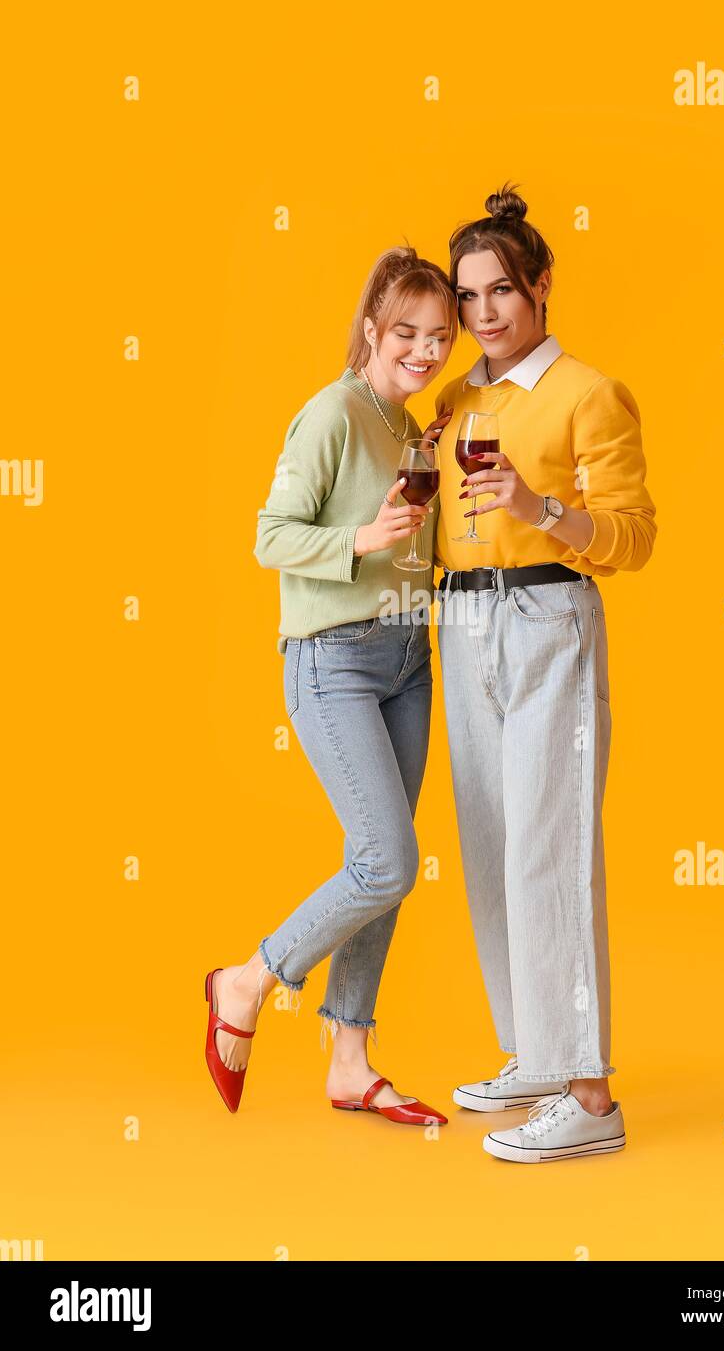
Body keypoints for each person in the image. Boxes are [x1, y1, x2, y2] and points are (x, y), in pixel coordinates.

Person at [204, 246, 456, 1126]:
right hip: (334, 659)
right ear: (371, 329)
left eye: (440, 335)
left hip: (408, 660)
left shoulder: (406, 422)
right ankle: (246, 981)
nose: (426, 351)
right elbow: (270, 536)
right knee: (386, 861)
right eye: (408, 333)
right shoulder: (333, 414)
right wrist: (362, 537)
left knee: (386, 869)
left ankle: (350, 1058)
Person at [432, 183, 658, 1162]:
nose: (483, 313)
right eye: (468, 294)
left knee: (548, 843)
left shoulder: (587, 394)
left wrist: (537, 505)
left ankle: (590, 1096)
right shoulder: (457, 401)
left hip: (546, 617)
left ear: (540, 287)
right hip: (461, 616)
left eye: (501, 292)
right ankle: (535, 1049)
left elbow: (633, 537)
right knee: (487, 837)